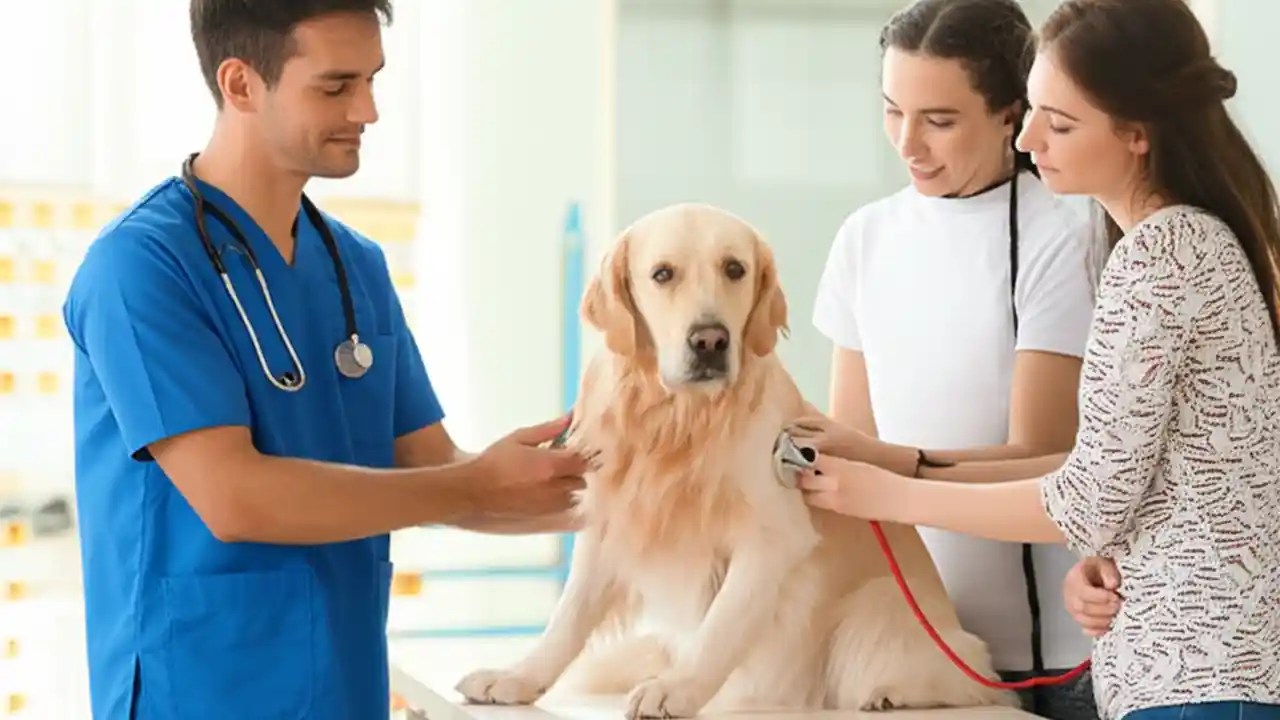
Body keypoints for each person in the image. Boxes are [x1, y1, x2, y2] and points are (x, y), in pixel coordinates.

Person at [61, 2, 588, 718]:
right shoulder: (140, 268)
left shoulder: (356, 267)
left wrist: (641, 502)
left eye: (372, 79)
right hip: (199, 694)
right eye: (336, 87)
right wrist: (476, 484)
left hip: (345, 691)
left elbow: (432, 466)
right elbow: (234, 497)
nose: (368, 110)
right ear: (241, 84)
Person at [795, 0, 1280, 718]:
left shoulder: (1158, 256)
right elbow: (1126, 478)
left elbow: (1082, 494)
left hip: (1197, 681)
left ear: (1136, 135)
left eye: (1057, 122)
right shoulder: (1181, 244)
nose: (1029, 137)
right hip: (1186, 673)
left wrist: (892, 492)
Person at [805, 0, 1105, 716]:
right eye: (892, 112)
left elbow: (1049, 455)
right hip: (913, 654)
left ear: (1012, 113)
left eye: (939, 120)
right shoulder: (863, 238)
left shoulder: (1063, 235)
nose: (908, 143)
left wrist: (894, 469)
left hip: (1054, 666)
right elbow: (853, 451)